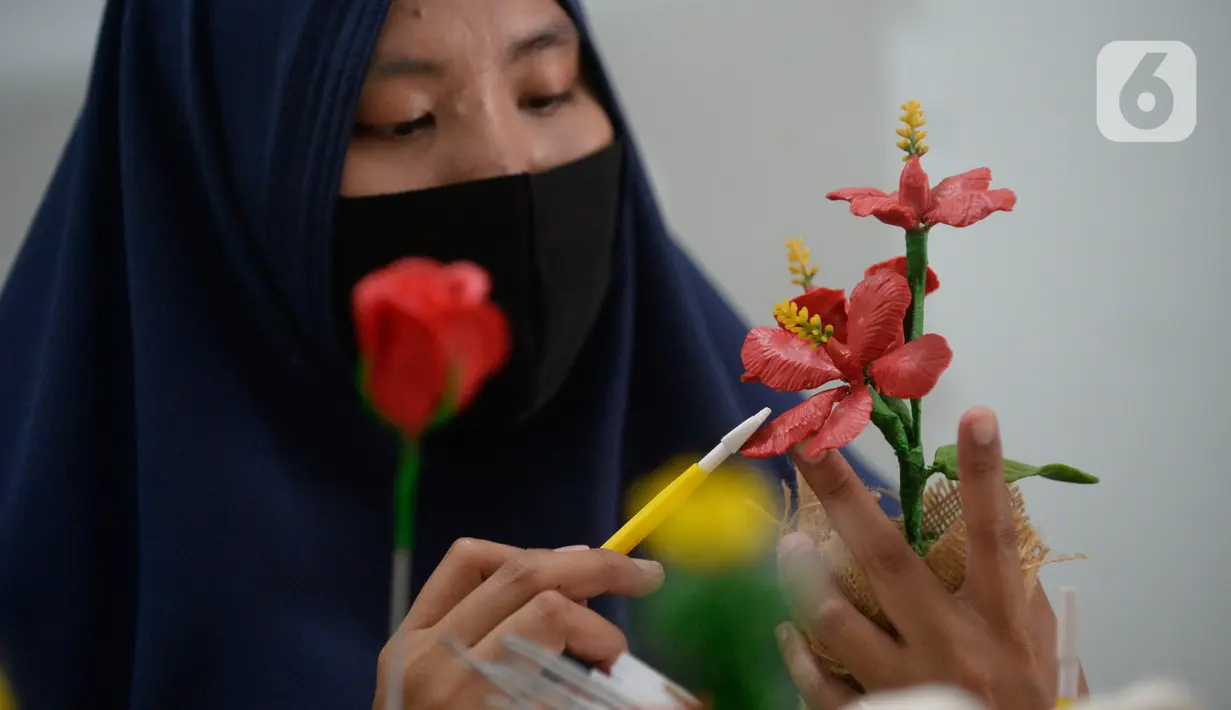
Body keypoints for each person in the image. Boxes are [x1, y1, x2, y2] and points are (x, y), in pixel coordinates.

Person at [0, 0, 1068, 707]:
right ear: (210, 185)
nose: (507, 163)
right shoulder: (39, 587)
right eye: (398, 119)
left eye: (550, 91)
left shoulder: (830, 549)